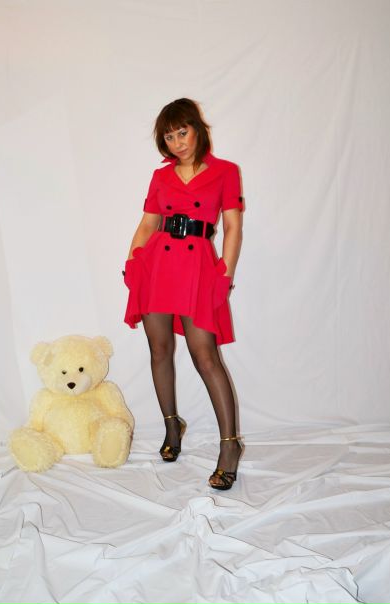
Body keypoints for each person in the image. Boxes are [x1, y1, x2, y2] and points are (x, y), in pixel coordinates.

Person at [123, 98, 244, 490]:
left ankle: (230, 446)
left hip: (197, 268)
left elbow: (232, 227)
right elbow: (148, 224)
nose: (177, 142)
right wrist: (133, 260)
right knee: (159, 350)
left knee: (205, 356)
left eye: (182, 132)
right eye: (169, 137)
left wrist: (225, 272)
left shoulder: (226, 172)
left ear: (197, 129)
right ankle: (172, 425)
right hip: (158, 265)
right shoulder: (161, 177)